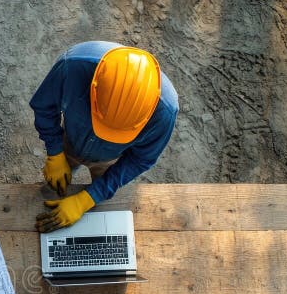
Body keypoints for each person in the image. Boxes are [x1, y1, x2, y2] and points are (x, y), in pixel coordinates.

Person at [30, 41, 178, 232]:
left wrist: (88, 198)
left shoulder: (164, 114)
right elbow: (44, 107)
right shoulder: (72, 67)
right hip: (70, 141)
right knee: (52, 188)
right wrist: (55, 152)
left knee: (99, 203)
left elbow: (141, 159)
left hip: (110, 160)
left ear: (148, 114)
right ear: (93, 88)